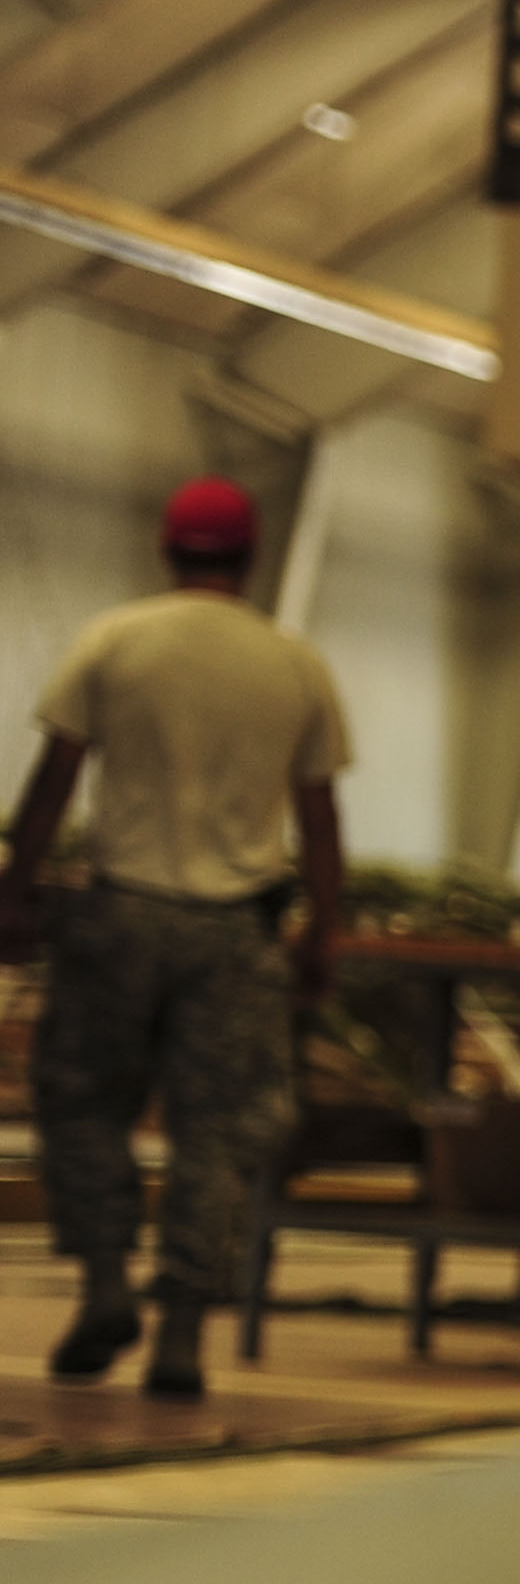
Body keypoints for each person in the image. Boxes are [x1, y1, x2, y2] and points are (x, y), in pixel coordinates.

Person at [0, 477, 351, 1399]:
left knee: (82, 1104)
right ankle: (183, 1334)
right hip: (236, 932)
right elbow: (319, 821)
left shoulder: (115, 640)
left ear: (167, 548)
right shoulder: (295, 664)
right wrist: (325, 932)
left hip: (119, 914)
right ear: (251, 556)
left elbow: (54, 780)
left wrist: (15, 892)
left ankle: (107, 1282)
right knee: (220, 1132)